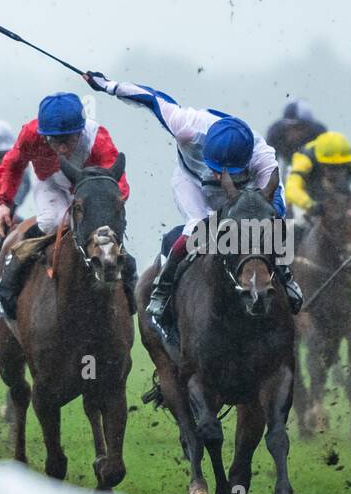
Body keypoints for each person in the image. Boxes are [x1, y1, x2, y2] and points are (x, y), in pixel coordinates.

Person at [81, 71, 301, 344]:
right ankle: (162, 289)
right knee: (197, 227)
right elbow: (150, 98)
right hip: (191, 182)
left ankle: (285, 277)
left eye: (229, 169)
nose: (220, 175)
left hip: (244, 193)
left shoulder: (263, 156)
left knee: (268, 225)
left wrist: (264, 222)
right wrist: (107, 86)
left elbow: (274, 205)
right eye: (218, 167)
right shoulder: (185, 124)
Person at [0, 92, 133, 319]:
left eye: (68, 140)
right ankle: (11, 273)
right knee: (53, 221)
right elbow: (13, 164)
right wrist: (4, 202)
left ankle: (129, 283)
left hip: (91, 191)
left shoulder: (98, 139)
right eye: (54, 140)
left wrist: (106, 210)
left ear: (81, 130)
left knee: (102, 227)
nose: (62, 148)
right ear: (42, 134)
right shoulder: (30, 134)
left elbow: (118, 187)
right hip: (50, 182)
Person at [285, 130, 351, 223]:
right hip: (307, 195)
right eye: (331, 166)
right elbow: (292, 189)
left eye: (341, 166)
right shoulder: (305, 157)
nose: (336, 172)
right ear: (320, 161)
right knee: (299, 222)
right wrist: (311, 205)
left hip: (340, 197)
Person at [265, 98, 327, 173]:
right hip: (286, 163)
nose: (292, 133)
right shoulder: (276, 133)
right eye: (288, 128)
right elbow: (268, 164)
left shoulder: (319, 135)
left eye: (297, 128)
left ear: (308, 127)